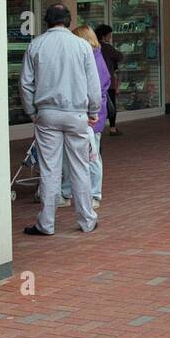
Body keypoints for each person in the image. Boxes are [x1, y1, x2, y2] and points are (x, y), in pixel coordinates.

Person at [20, 3, 101, 237]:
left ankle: (46, 223)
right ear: (68, 20)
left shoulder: (36, 45)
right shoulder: (82, 46)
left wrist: (31, 111)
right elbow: (92, 82)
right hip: (77, 113)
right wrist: (93, 110)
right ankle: (87, 219)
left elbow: (25, 83)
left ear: (47, 20)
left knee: (50, 169)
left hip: (47, 113)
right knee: (80, 167)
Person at [57, 24, 111, 211]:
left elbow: (97, 88)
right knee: (75, 154)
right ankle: (67, 192)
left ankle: (94, 194)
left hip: (91, 116)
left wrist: (92, 112)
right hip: (83, 114)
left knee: (92, 155)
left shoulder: (93, 59)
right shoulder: (92, 57)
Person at [93, 24, 123, 136]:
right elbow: (120, 56)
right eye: (109, 35)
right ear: (104, 36)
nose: (110, 37)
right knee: (111, 104)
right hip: (107, 80)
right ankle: (112, 128)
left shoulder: (93, 46)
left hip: (96, 80)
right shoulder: (106, 47)